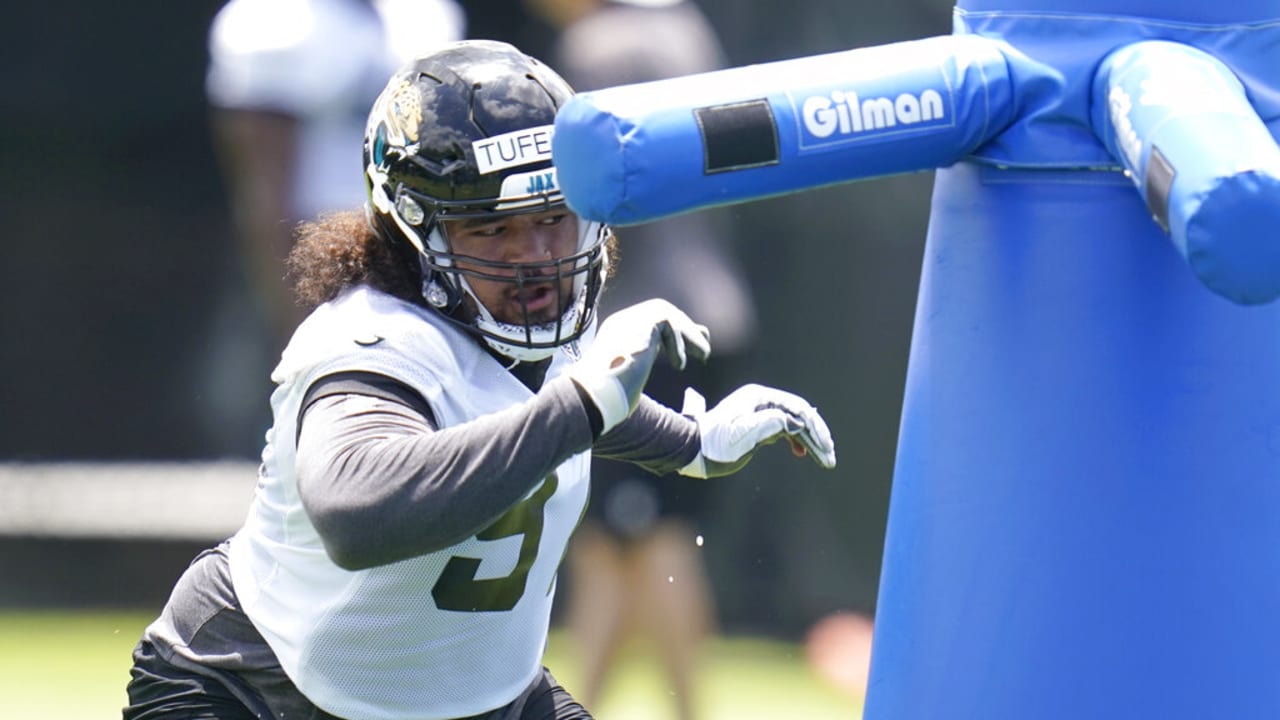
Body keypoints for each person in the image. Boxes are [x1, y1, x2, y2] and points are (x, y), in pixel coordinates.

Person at [123, 40, 836, 720]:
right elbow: (359, 513)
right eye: (492, 230)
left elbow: (552, 397)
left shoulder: (533, 328)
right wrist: (588, 402)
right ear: (414, 231)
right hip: (257, 689)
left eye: (554, 217)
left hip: (481, 700)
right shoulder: (373, 342)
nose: (534, 256)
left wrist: (695, 443)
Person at [522, 2, 756, 717]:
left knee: (652, 542)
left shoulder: (598, 47)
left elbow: (584, 198)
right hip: (709, 306)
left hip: (646, 326)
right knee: (613, 543)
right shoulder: (686, 26)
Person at [199, 0, 466, 455]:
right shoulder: (262, 24)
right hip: (315, 258)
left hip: (418, 245)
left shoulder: (426, 13)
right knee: (292, 418)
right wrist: (293, 308)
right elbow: (263, 194)